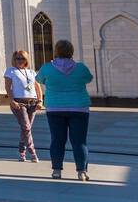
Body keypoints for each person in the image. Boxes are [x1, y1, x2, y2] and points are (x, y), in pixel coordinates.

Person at [35, 39, 94, 181]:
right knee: (79, 141)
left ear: (56, 51)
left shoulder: (47, 68)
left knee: (57, 140)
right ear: (71, 52)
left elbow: (39, 79)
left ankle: (56, 171)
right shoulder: (80, 68)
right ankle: (82, 172)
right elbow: (88, 79)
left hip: (55, 108)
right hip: (79, 108)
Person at [4, 50, 42, 162]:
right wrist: (12, 100)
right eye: (17, 58)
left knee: (26, 129)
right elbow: (8, 87)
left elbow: (37, 87)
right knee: (26, 127)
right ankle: (33, 152)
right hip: (19, 103)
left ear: (26, 60)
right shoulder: (10, 71)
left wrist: (40, 101)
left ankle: (22, 151)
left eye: (22, 58)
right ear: (14, 60)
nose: (20, 61)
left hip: (33, 103)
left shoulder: (31, 72)